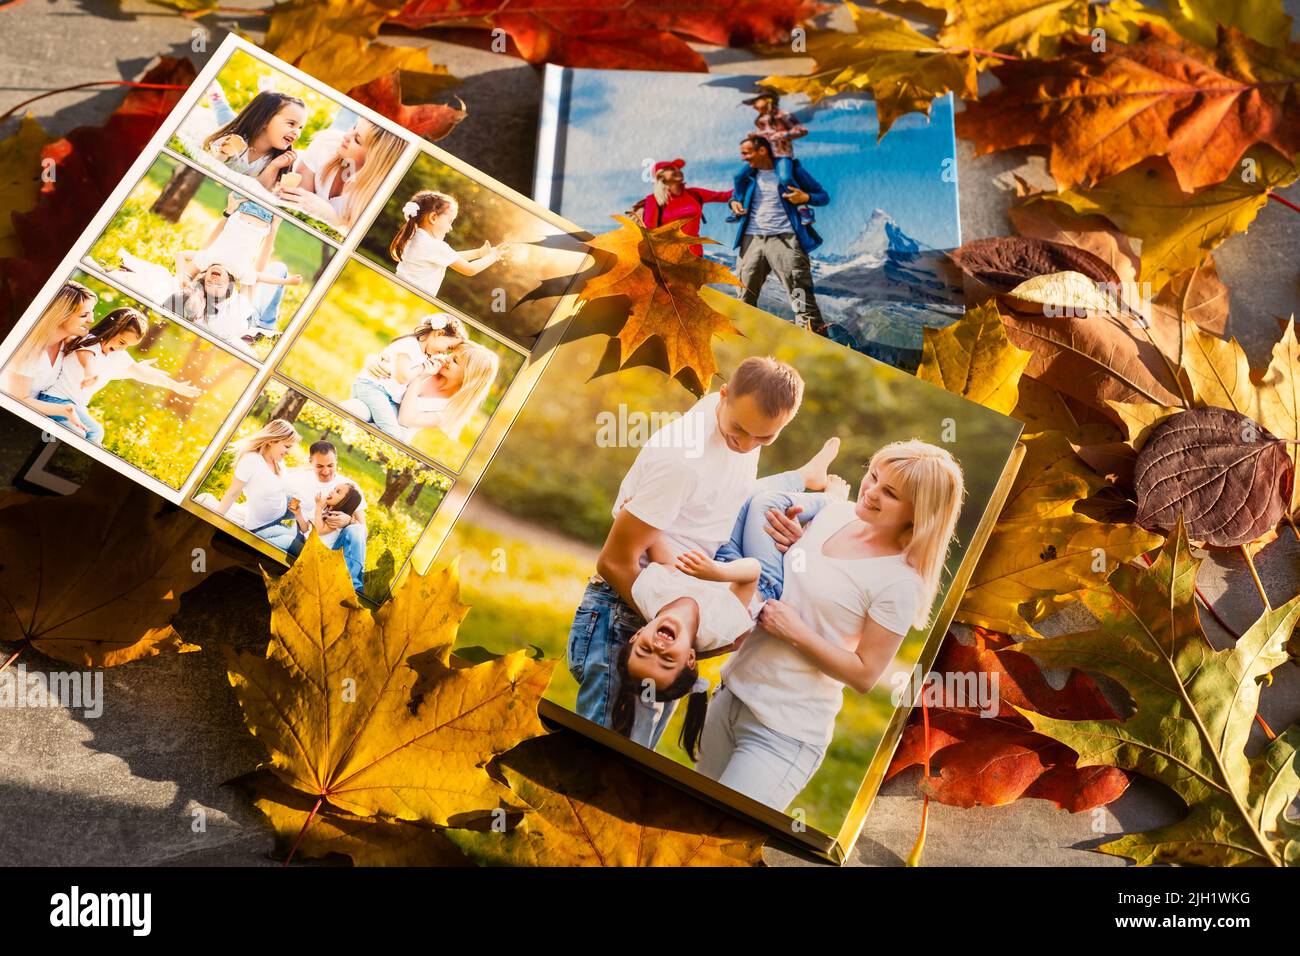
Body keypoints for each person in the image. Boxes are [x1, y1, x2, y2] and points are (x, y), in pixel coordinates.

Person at [569, 356, 836, 747]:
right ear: (724, 395)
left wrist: (690, 628)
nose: (745, 444)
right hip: (626, 611)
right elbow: (613, 562)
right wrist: (683, 627)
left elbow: (728, 498)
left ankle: (805, 478)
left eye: (763, 437)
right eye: (740, 430)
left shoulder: (735, 416)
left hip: (678, 603)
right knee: (606, 753)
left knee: (639, 756)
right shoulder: (682, 461)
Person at [695, 440, 966, 812]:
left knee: (721, 841)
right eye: (873, 476)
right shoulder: (834, 515)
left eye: (890, 493)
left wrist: (795, 632)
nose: (871, 492)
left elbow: (865, 674)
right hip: (730, 694)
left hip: (783, 732)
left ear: (919, 513)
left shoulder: (901, 582)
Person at [42, 307, 202, 444]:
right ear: (112, 329)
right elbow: (87, 359)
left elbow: (141, 374)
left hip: (76, 407)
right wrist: (89, 375)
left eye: (127, 346)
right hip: (54, 400)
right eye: (122, 342)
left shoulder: (117, 354)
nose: (122, 349)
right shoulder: (90, 342)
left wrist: (173, 385)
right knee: (85, 433)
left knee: (95, 432)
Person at [727, 134, 829, 334]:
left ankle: (813, 342)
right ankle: (742, 341)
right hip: (751, 240)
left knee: (800, 296)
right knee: (743, 295)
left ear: (762, 150)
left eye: (747, 153)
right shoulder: (748, 177)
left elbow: (823, 196)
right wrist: (734, 203)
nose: (743, 159)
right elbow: (735, 197)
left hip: (786, 239)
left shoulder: (792, 172)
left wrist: (805, 197)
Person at [1, 280, 97, 437]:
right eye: (83, 315)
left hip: (34, 411)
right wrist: (64, 410)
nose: (91, 320)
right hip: (11, 414)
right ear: (61, 315)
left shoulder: (64, 345)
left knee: (87, 432)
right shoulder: (30, 348)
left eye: (92, 312)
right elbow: (17, 399)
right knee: (76, 433)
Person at [277, 116, 405, 233]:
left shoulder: (377, 193)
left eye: (357, 139)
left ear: (374, 159)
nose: (346, 136)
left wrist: (333, 219)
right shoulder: (328, 143)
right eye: (354, 127)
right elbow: (296, 200)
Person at [282, 441, 368, 593]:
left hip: (332, 548)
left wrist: (349, 521)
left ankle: (353, 586)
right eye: (319, 466)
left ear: (336, 461)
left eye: (330, 465)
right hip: (305, 538)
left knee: (356, 531)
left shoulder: (348, 487)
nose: (326, 472)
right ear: (310, 462)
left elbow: (362, 532)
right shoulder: (299, 479)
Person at [389, 190, 510, 298]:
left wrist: (478, 253)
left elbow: (450, 257)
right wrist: (493, 256)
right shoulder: (434, 246)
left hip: (399, 293)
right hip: (412, 299)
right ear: (433, 217)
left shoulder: (416, 237)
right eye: (450, 221)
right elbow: (470, 269)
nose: (450, 228)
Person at [209, 419, 302, 551]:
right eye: (286, 446)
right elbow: (233, 493)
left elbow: (279, 483)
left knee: (308, 527)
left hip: (284, 510)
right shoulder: (251, 460)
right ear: (271, 441)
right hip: (262, 525)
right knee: (297, 546)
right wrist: (215, 519)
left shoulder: (278, 461)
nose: (288, 452)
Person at [203, 87, 306, 190]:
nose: (297, 133)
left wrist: (273, 166)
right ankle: (213, 88)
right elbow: (208, 168)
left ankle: (267, 89)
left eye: (300, 127)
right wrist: (223, 153)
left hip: (257, 126)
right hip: (236, 127)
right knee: (222, 109)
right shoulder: (231, 139)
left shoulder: (275, 159)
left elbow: (260, 191)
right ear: (266, 119)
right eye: (291, 123)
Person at [737, 92, 813, 226]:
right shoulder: (760, 120)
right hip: (762, 156)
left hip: (781, 154)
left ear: (767, 100)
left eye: (756, 102)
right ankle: (739, 207)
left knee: (785, 178)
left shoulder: (782, 115)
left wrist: (779, 135)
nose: (754, 106)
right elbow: (763, 137)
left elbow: (801, 130)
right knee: (739, 176)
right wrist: (755, 136)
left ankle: (804, 210)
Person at [631, 159, 732, 257]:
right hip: (669, 259)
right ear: (660, 175)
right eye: (671, 168)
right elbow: (649, 233)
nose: (677, 171)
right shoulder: (654, 200)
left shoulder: (694, 194)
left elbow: (725, 196)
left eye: (678, 169)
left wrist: (746, 180)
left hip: (696, 256)